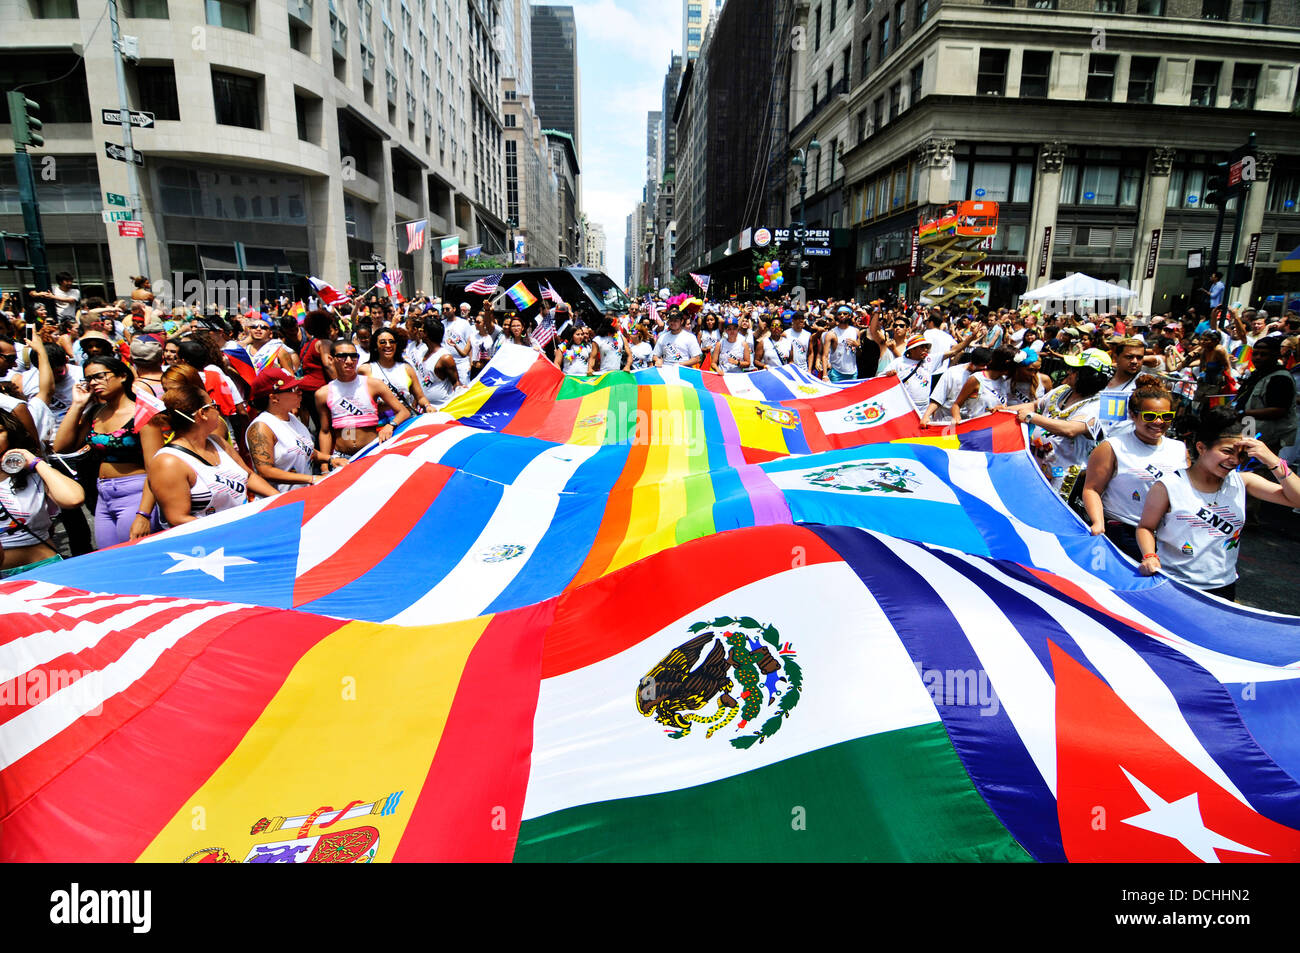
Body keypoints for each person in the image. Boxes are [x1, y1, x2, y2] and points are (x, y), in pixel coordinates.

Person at [1137, 409, 1300, 600]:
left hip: (1223, 587)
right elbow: (1145, 527)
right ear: (1201, 447)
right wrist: (1150, 556)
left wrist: (1272, 460)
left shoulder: (1244, 481)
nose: (1234, 460)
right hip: (1173, 584)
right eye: (1226, 451)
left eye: (1241, 455)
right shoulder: (1168, 485)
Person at [53, 355, 162, 547]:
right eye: (89, 379)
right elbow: (61, 446)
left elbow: (155, 469)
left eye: (99, 376)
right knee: (108, 557)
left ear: (122, 376)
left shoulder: (143, 413)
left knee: (133, 557)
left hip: (136, 494)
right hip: (103, 495)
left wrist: (143, 514)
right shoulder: (96, 413)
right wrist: (78, 405)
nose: (93, 383)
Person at [149, 367, 279, 526]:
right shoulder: (169, 462)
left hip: (245, 527)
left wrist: (277, 498)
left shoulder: (218, 441)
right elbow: (178, 518)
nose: (218, 411)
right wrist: (232, 527)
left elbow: (248, 476)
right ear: (202, 413)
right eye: (214, 406)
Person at [1081, 377, 1189, 561]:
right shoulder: (1112, 446)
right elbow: (1092, 489)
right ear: (1132, 414)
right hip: (1122, 532)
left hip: (1165, 536)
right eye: (1149, 416)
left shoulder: (1179, 448)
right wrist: (1098, 523)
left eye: (1166, 416)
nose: (1158, 422)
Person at [1006, 348, 1114, 494]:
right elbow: (1036, 405)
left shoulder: (1100, 405)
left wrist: (1032, 417)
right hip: (1036, 467)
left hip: (1063, 479)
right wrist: (1004, 410)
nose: (1068, 371)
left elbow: (1070, 429)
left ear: (1089, 376)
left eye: (1074, 370)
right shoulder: (1063, 389)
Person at [0, 408, 85, 577]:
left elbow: (74, 499)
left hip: (48, 569)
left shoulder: (33, 474)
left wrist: (36, 463)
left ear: (9, 434)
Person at [317, 339, 410, 460]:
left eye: (353, 356)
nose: (349, 361)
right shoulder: (323, 393)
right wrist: (325, 464)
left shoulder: (374, 384)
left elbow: (404, 411)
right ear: (331, 359)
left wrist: (390, 425)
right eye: (342, 356)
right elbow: (325, 431)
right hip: (342, 458)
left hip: (371, 453)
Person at [246, 367, 331, 490]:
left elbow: (306, 449)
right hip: (282, 502)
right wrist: (311, 479)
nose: (300, 392)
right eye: (293, 389)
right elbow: (265, 471)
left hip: (304, 493)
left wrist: (331, 459)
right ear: (274, 398)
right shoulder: (261, 427)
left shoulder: (291, 417)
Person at [1233, 336, 1297, 455]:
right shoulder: (1257, 374)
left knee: (1257, 471)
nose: (1258, 357)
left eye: (1263, 354)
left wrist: (1243, 413)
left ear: (1276, 355)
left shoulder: (1280, 378)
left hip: (1268, 439)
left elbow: (1279, 410)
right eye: (1255, 354)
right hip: (1249, 431)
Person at [363, 327, 433, 418]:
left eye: (391, 341)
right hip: (380, 424)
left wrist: (428, 406)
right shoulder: (365, 370)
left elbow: (420, 397)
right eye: (383, 342)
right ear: (375, 346)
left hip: (406, 422)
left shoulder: (407, 368)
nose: (388, 345)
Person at [419, 320, 461, 408]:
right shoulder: (422, 353)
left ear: (426, 334)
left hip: (441, 408)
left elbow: (456, 382)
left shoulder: (445, 358)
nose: (419, 332)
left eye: (421, 330)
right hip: (424, 407)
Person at [822, 307, 860, 382]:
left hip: (853, 373)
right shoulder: (831, 334)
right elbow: (825, 355)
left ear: (849, 316)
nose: (842, 315)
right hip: (836, 373)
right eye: (839, 314)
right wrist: (825, 375)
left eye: (845, 314)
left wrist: (857, 346)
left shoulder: (856, 331)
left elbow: (859, 354)